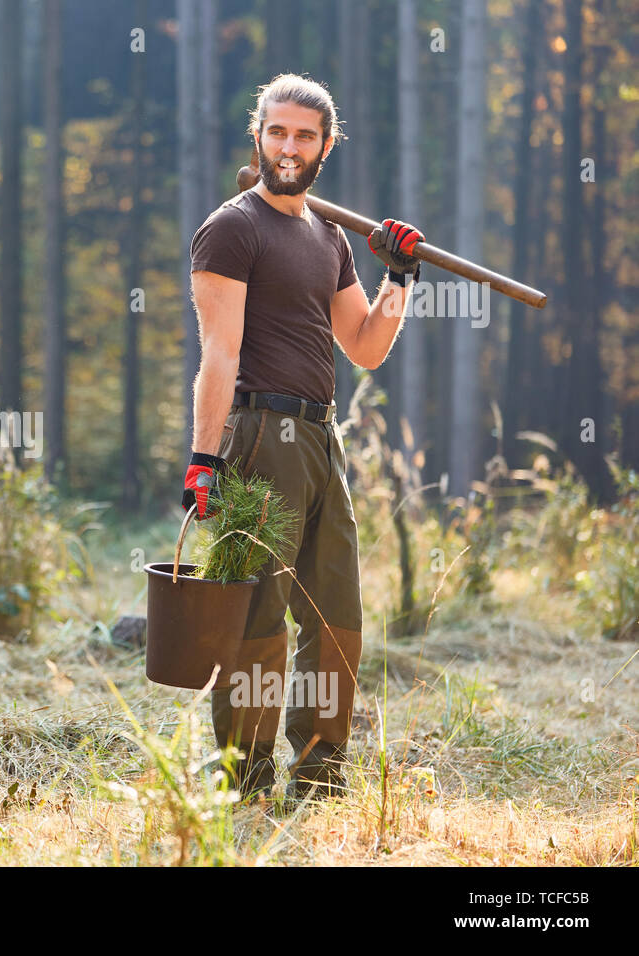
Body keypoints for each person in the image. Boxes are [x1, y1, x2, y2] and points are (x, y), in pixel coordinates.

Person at [182, 74, 424, 802]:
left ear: (326, 144)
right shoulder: (234, 227)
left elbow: (365, 347)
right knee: (256, 612)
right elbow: (218, 354)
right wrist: (203, 458)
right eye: (278, 132)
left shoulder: (329, 236)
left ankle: (320, 771)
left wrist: (399, 277)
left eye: (305, 135)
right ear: (258, 136)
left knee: (334, 615)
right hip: (258, 434)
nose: (289, 147)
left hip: (322, 438)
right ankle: (244, 772)